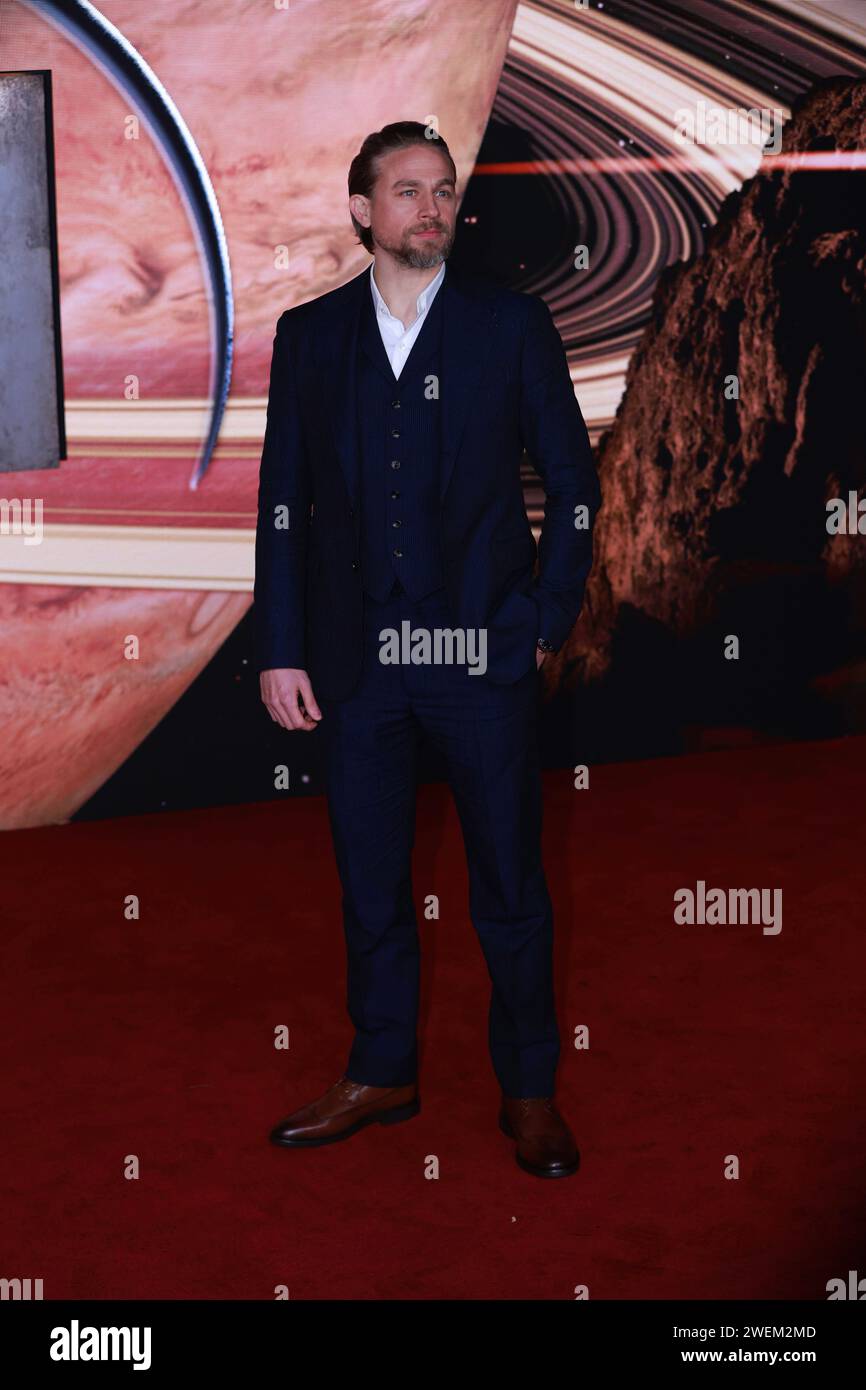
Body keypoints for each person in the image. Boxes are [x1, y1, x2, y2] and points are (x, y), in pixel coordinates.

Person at [254, 121, 600, 1177]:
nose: (429, 208)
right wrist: (280, 647)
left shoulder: (510, 325)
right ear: (361, 210)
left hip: (479, 657)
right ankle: (382, 1070)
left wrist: (541, 620)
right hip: (357, 664)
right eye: (405, 191)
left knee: (507, 885)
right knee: (369, 883)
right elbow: (282, 507)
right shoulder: (307, 338)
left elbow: (575, 489)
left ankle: (530, 1090)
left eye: (442, 190)